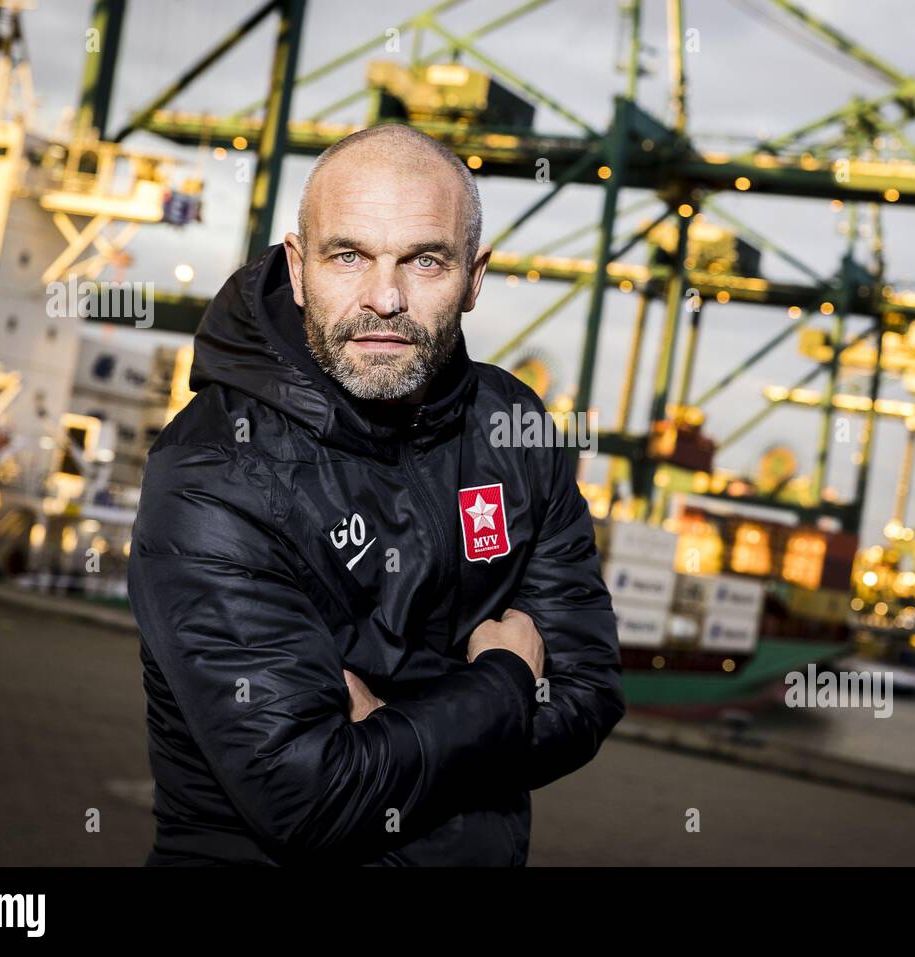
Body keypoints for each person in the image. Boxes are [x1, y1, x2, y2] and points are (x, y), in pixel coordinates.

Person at [128, 124, 625, 866]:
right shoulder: (214, 475)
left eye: (424, 259)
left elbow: (586, 691)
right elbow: (311, 794)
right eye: (349, 255)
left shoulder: (515, 431)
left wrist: (386, 733)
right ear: (298, 269)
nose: (384, 297)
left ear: (474, 277)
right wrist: (503, 681)